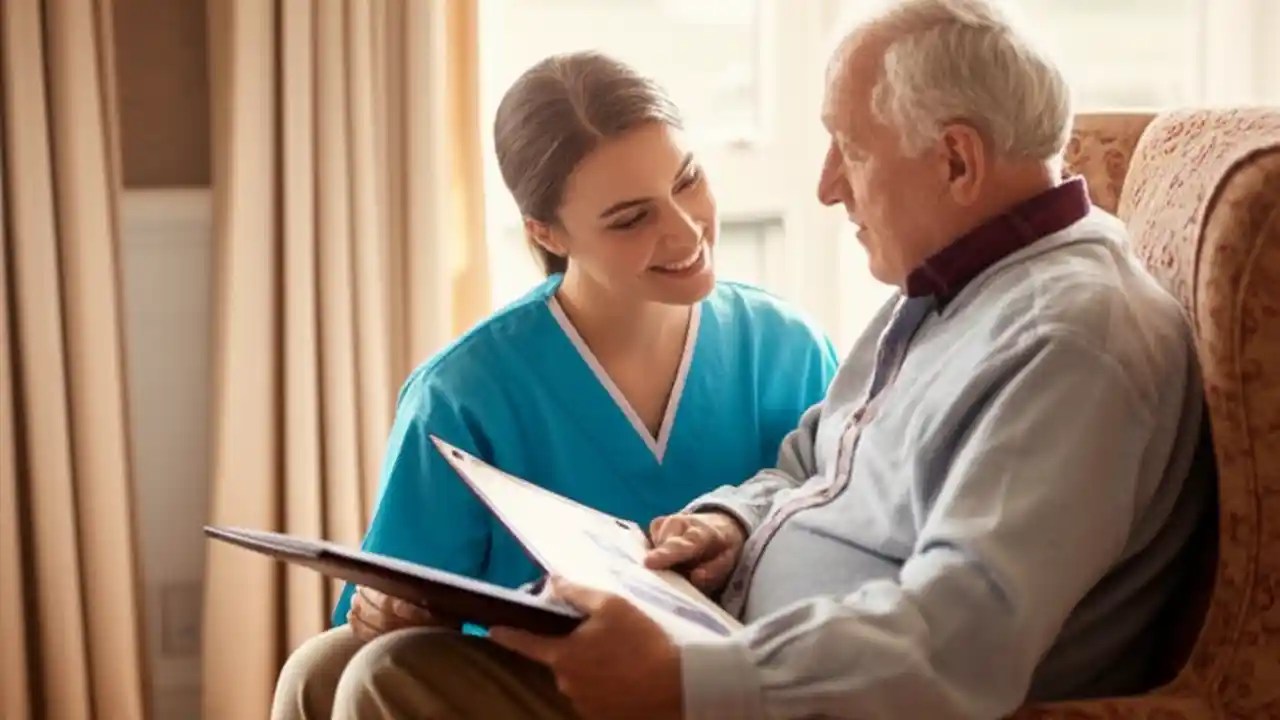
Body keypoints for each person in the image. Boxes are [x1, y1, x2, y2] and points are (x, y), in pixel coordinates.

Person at [299, 1, 1211, 718]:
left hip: (768, 685)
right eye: (630, 217)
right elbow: (815, 465)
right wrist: (728, 525)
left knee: (384, 680)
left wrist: (691, 678)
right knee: (328, 665)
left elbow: (964, 636)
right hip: (734, 633)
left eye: (850, 150)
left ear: (957, 162)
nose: (825, 185)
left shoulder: (1067, 344)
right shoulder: (947, 296)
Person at [269, 51, 840, 718]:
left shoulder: (790, 350)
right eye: (631, 218)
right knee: (323, 666)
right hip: (557, 688)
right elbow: (386, 612)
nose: (686, 230)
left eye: (687, 181)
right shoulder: (463, 393)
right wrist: (386, 611)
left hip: (732, 682)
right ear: (546, 233)